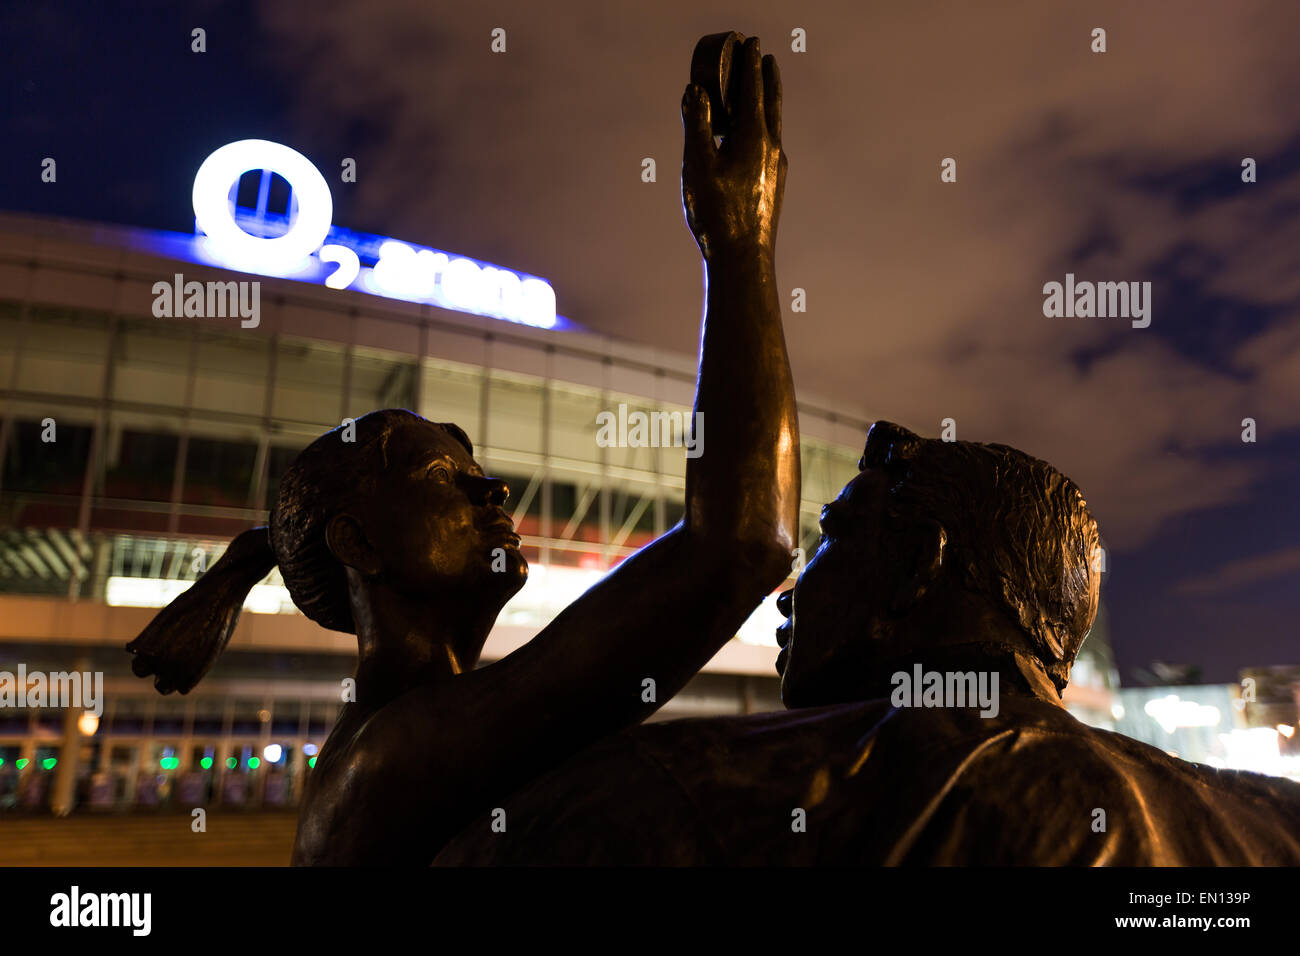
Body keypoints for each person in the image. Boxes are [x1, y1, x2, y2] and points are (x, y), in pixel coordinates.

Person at [126, 36, 799, 866]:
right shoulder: (394, 751)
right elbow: (740, 542)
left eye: (477, 475)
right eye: (445, 480)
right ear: (357, 542)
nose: (496, 493)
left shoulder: (415, 725)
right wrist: (740, 244)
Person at [433, 423, 1300, 865]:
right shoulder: (1270, 819)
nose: (791, 590)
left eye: (830, 541)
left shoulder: (676, 791)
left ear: (920, 567)